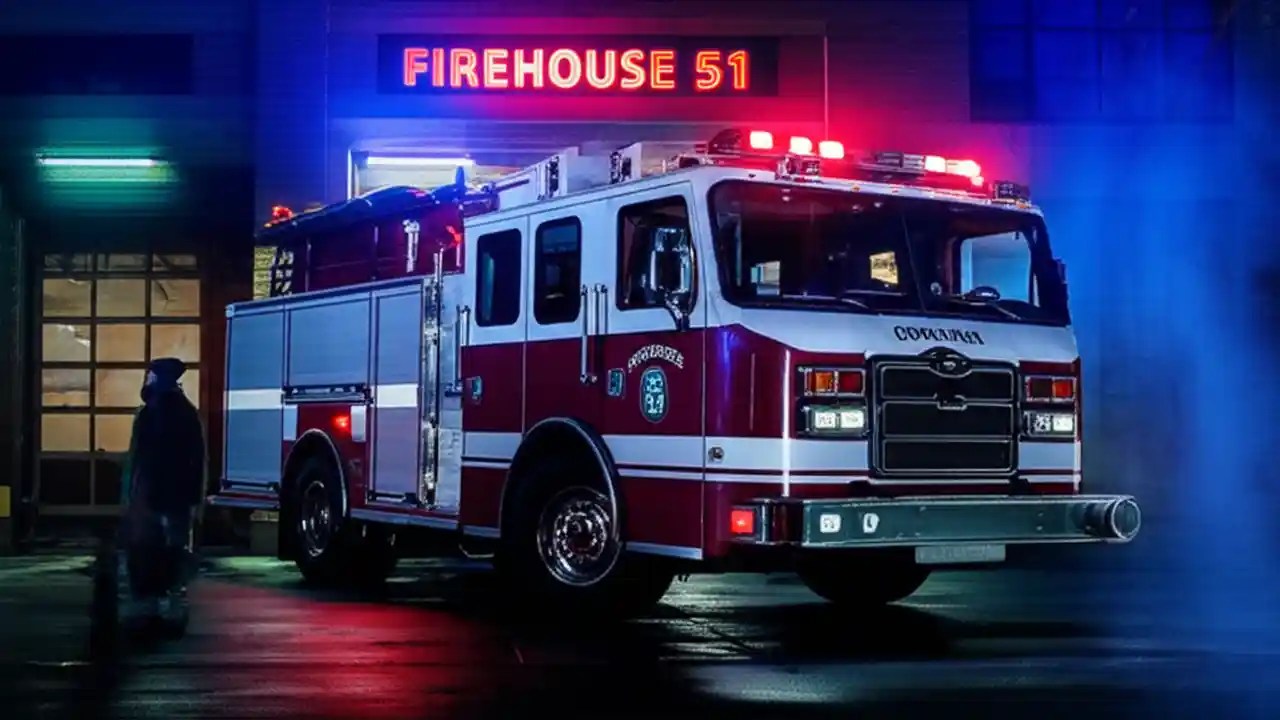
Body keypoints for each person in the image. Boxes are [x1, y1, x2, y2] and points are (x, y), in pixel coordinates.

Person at [119, 357, 206, 627]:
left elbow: (136, 459)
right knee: (172, 547)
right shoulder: (185, 413)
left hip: (153, 494)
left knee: (150, 547)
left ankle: (153, 600)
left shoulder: (150, 414)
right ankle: (169, 599)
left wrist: (131, 494)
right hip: (173, 495)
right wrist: (195, 497)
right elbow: (198, 459)